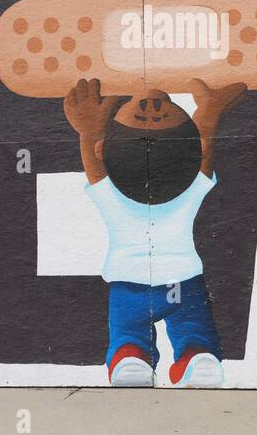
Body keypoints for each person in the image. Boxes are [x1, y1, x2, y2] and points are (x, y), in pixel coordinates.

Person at [63, 77, 247, 387]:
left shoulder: (112, 197)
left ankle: (129, 358)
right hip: (183, 282)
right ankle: (197, 358)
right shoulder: (189, 191)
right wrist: (211, 110)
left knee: (128, 334)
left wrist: (89, 130)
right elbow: (202, 148)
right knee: (193, 330)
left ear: (104, 149)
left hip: (129, 284)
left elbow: (95, 163)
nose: (150, 101)